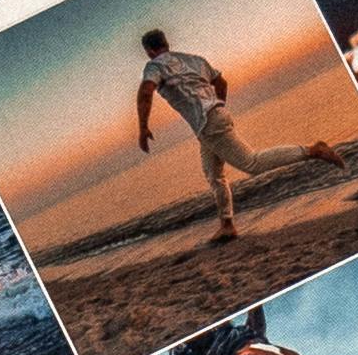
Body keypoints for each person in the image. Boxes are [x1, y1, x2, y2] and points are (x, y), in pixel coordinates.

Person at [133, 21, 339, 246]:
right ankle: (227, 226)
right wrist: (218, 104)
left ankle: (313, 150)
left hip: (209, 123)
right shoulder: (194, 59)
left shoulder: (154, 66)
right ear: (166, 43)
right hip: (210, 123)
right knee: (214, 175)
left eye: (148, 52)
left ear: (150, 51)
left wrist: (143, 128)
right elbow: (221, 81)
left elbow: (146, 92)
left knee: (252, 163)